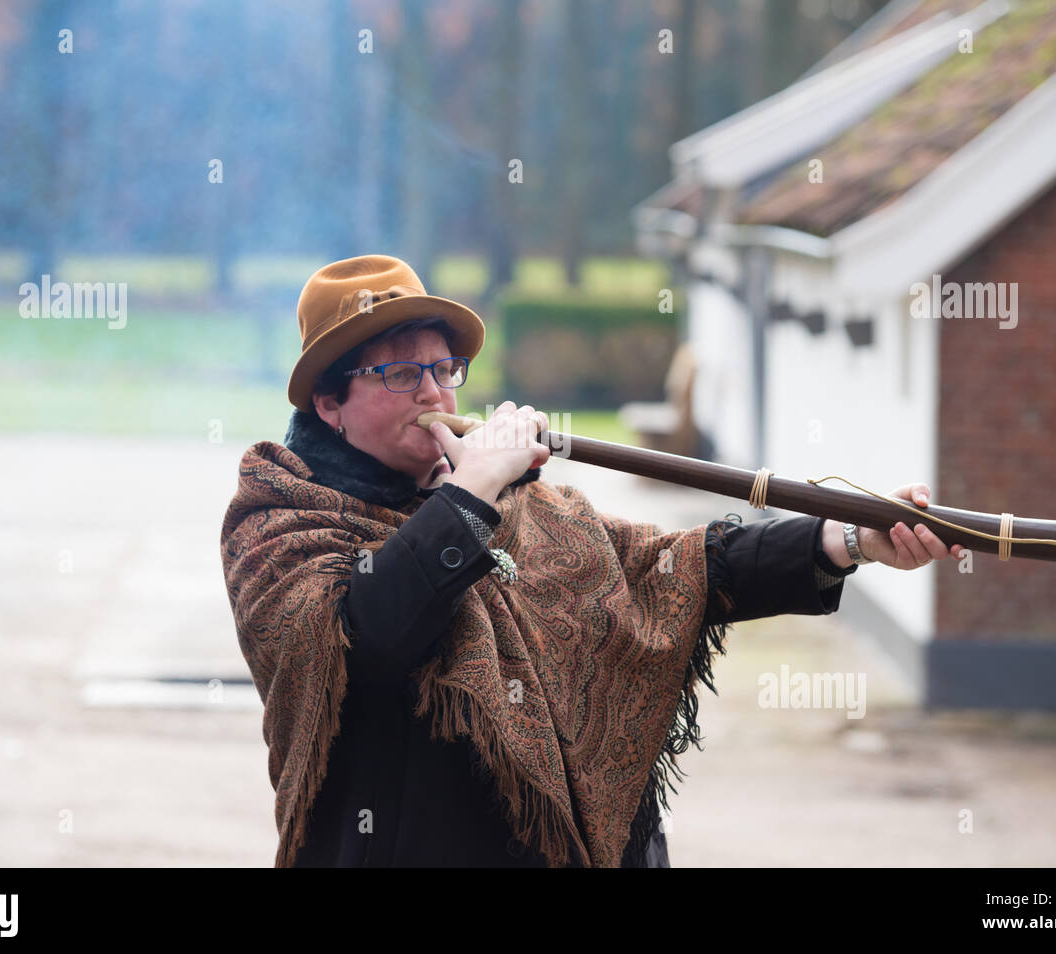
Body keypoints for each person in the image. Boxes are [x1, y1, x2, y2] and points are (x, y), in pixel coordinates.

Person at [220, 254, 962, 868]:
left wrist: (845, 539)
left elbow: (671, 568)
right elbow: (368, 632)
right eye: (399, 374)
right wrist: (476, 490)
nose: (434, 392)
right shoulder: (276, 522)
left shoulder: (516, 507)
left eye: (445, 369)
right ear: (328, 402)